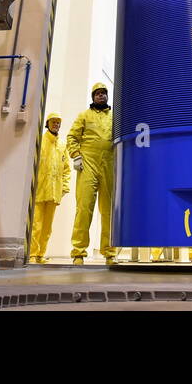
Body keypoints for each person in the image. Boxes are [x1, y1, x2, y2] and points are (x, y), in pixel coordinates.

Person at [67, 82, 117, 265]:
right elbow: (72, 137)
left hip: (108, 164)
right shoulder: (84, 116)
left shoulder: (114, 116)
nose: (101, 96)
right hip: (87, 163)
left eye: (104, 93)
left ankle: (109, 252)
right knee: (84, 208)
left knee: (108, 210)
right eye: (98, 94)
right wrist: (76, 155)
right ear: (93, 97)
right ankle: (78, 252)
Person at [29, 112, 70, 264]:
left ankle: (40, 254)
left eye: (58, 122)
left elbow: (66, 168)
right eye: (53, 122)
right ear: (47, 123)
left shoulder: (62, 144)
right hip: (39, 190)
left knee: (47, 227)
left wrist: (64, 187)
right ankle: (32, 254)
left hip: (54, 192)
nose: (56, 124)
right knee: (36, 225)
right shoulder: (40, 141)